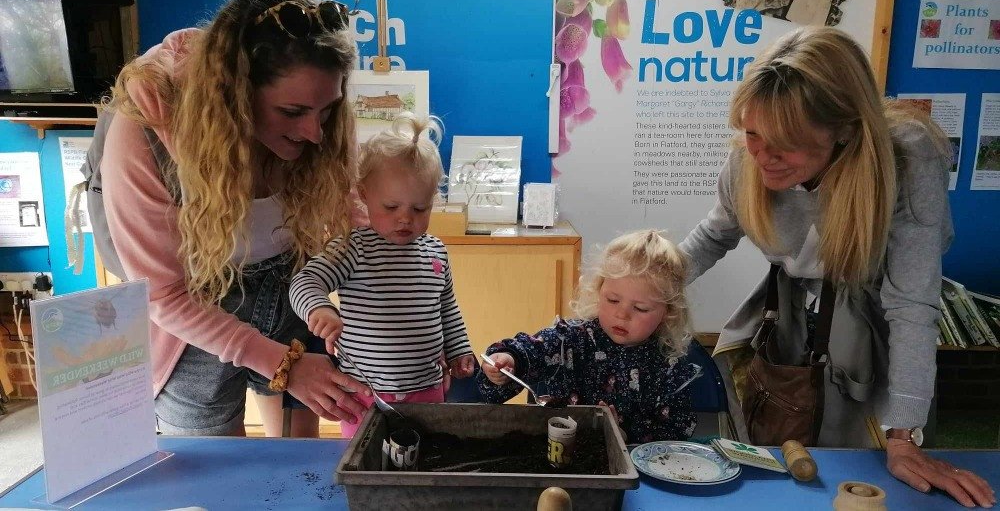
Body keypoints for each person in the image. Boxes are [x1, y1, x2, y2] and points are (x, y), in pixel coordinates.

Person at [680, 26, 994, 507]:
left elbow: (911, 303)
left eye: (785, 143)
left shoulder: (905, 160)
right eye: (752, 134)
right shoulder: (749, 159)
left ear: (845, 130)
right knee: (779, 444)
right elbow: (711, 238)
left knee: (864, 460)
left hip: (874, 321)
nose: (762, 156)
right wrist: (643, 287)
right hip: (787, 314)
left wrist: (904, 438)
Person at [98, 0, 372, 437]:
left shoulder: (321, 122)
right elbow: (165, 295)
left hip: (288, 281)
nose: (315, 134)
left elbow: (356, 220)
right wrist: (282, 363)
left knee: (294, 458)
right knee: (212, 465)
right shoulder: (144, 131)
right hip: (192, 305)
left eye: (326, 111)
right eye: (292, 112)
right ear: (235, 94)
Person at [289, 113, 476, 438]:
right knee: (365, 468)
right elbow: (305, 282)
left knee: (424, 459)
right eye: (391, 207)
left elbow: (448, 309)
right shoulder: (353, 248)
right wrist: (320, 309)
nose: (405, 219)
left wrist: (460, 349)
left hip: (428, 391)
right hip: (363, 394)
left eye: (419, 209)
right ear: (364, 194)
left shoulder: (436, 252)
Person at [478, 230, 699, 444]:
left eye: (640, 308)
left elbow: (677, 433)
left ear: (667, 314)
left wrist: (623, 434)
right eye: (613, 300)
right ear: (598, 290)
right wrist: (510, 360)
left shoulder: (669, 365)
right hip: (555, 454)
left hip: (628, 469)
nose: (622, 314)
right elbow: (531, 350)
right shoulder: (570, 340)